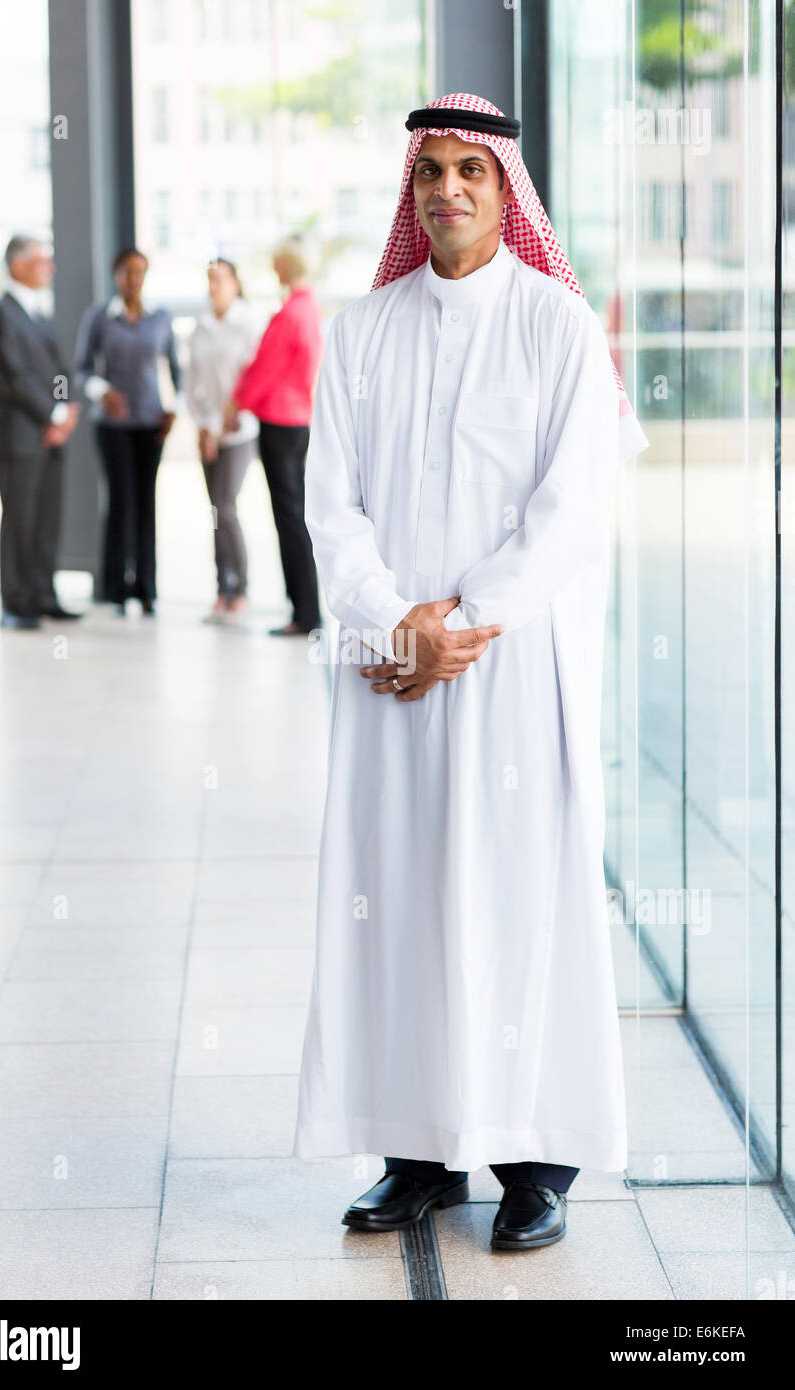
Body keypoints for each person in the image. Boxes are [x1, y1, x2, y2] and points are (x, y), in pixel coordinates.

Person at [292, 93, 651, 1252]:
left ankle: (535, 1163)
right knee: (395, 899)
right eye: (429, 172)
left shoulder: (554, 326)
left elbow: (567, 511)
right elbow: (328, 504)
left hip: (509, 675)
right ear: (412, 191)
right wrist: (393, 622)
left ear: (504, 189)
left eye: (470, 172)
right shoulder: (360, 330)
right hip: (391, 671)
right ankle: (414, 1153)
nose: (446, 190)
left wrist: (459, 623)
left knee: (517, 897)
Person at [223, 238, 322, 636]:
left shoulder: (289, 314)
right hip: (299, 422)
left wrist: (237, 404)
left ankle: (303, 612)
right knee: (297, 516)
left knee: (289, 519)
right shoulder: (310, 308)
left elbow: (265, 367)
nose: (274, 268)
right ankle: (306, 608)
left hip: (280, 426)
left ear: (287, 265)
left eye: (277, 262)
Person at [75, 248, 182, 616]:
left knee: (146, 504)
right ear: (115, 275)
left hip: (151, 424)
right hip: (113, 426)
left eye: (139, 272)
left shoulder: (161, 318)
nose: (133, 279)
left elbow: (177, 370)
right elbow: (81, 370)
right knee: (120, 503)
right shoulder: (100, 318)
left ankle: (147, 588)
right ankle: (115, 587)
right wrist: (100, 391)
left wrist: (175, 408)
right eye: (126, 272)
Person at [0, 236, 82, 628]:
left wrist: (66, 408)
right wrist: (53, 415)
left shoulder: (40, 313)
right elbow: (14, 376)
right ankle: (17, 602)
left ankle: (42, 593)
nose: (50, 268)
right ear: (18, 265)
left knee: (47, 519)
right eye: (43, 261)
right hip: (21, 437)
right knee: (20, 519)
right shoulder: (1, 314)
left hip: (50, 435)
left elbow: (59, 370)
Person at [187, 259, 261, 624]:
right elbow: (192, 384)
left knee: (225, 506)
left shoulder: (249, 324)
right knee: (215, 513)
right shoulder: (200, 328)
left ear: (235, 283)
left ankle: (240, 589)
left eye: (220, 280)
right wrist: (203, 426)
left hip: (237, 431)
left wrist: (217, 426)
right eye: (209, 280)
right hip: (208, 434)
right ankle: (222, 591)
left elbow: (250, 379)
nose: (214, 287)